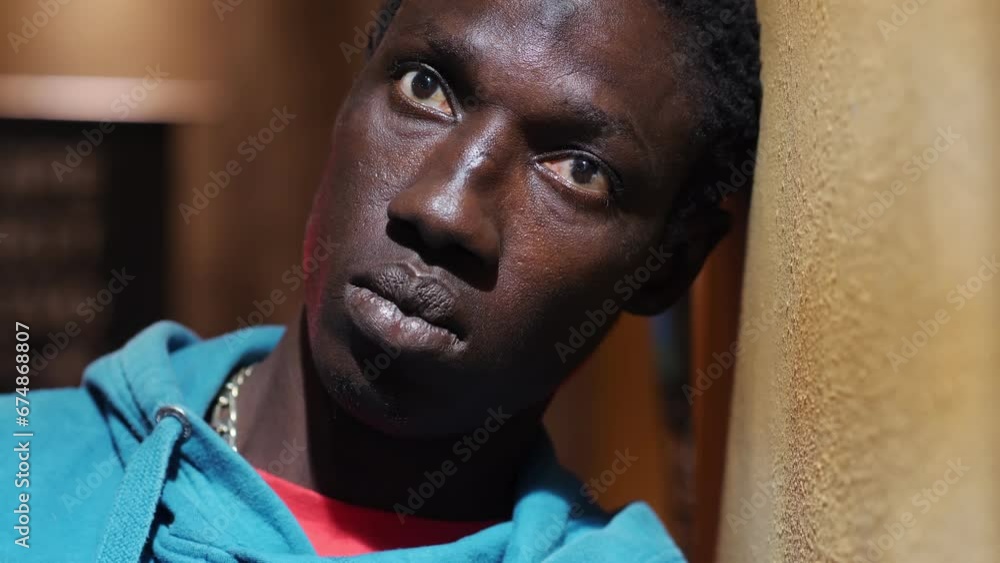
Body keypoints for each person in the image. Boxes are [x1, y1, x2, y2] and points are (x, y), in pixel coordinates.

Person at [7, 0, 760, 560]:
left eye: (577, 170)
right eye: (425, 88)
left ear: (668, 267)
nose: (443, 208)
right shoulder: (25, 474)